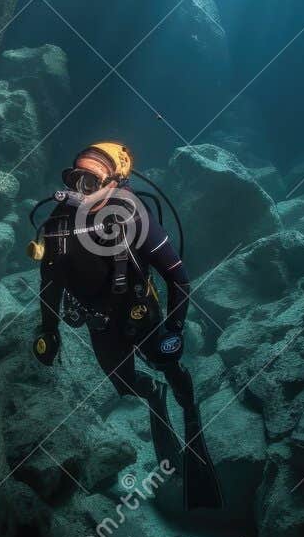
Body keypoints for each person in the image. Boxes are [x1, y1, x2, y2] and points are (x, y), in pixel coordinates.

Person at [31, 142, 223, 510]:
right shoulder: (58, 224)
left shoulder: (133, 217)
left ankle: (188, 409)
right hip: (99, 324)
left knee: (169, 364)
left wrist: (175, 329)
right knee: (125, 384)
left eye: (91, 181)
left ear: (115, 184)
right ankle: (154, 395)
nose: (80, 188)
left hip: (139, 313)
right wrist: (48, 329)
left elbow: (178, 278)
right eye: (75, 178)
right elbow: (50, 282)